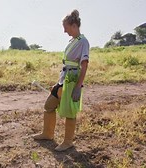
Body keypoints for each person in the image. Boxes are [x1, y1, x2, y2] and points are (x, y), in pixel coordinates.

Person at [33, 10, 89, 151]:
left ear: (74, 25)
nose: (64, 31)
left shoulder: (83, 42)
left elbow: (84, 65)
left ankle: (68, 141)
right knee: (49, 105)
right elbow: (66, 65)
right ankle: (48, 133)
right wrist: (57, 83)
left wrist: (78, 86)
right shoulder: (72, 41)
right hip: (63, 80)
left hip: (72, 81)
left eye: (66, 27)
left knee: (70, 112)